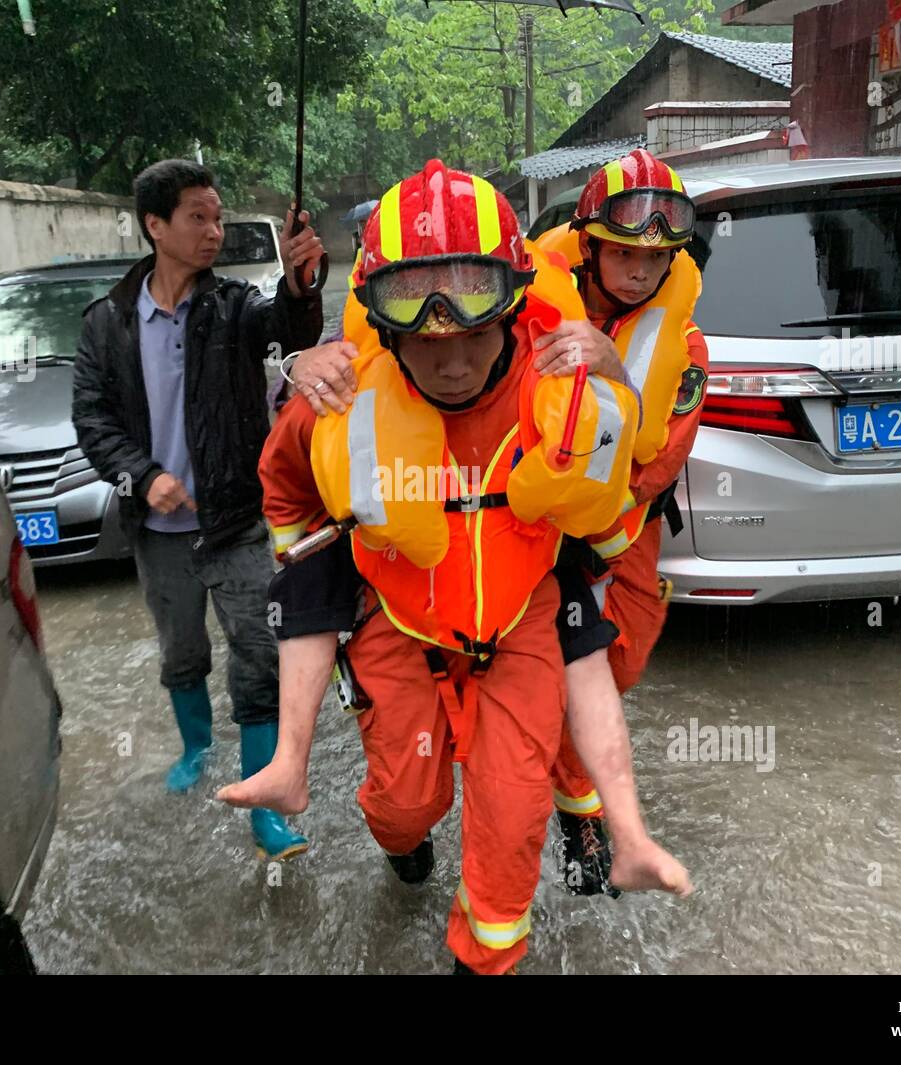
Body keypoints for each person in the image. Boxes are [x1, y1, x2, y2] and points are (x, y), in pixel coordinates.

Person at [219, 160, 682, 973]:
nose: (454, 363)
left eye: (475, 333)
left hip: (521, 622)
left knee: (511, 821)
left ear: (514, 307)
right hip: (397, 623)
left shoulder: (567, 383)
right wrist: (313, 591)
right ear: (382, 324)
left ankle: (486, 957)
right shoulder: (338, 395)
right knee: (405, 805)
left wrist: (616, 387)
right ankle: (404, 850)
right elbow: (284, 489)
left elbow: (620, 485)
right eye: (427, 341)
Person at [71, 158, 324, 861]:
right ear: (155, 225)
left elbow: (289, 332)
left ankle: (266, 803)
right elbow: (92, 418)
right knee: (182, 650)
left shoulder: (235, 307)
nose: (214, 231)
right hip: (157, 534)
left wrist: (302, 282)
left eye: (218, 217)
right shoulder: (107, 323)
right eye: (198, 218)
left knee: (260, 651)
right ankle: (194, 748)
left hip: (237, 520)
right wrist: (141, 475)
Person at [533, 148, 709, 895]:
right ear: (590, 245)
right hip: (533, 526)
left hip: (625, 534)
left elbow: (657, 462)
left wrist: (615, 375)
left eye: (657, 256)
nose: (640, 270)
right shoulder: (531, 318)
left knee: (620, 665)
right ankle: (563, 810)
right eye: (625, 252)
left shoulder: (686, 350)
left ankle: (574, 796)